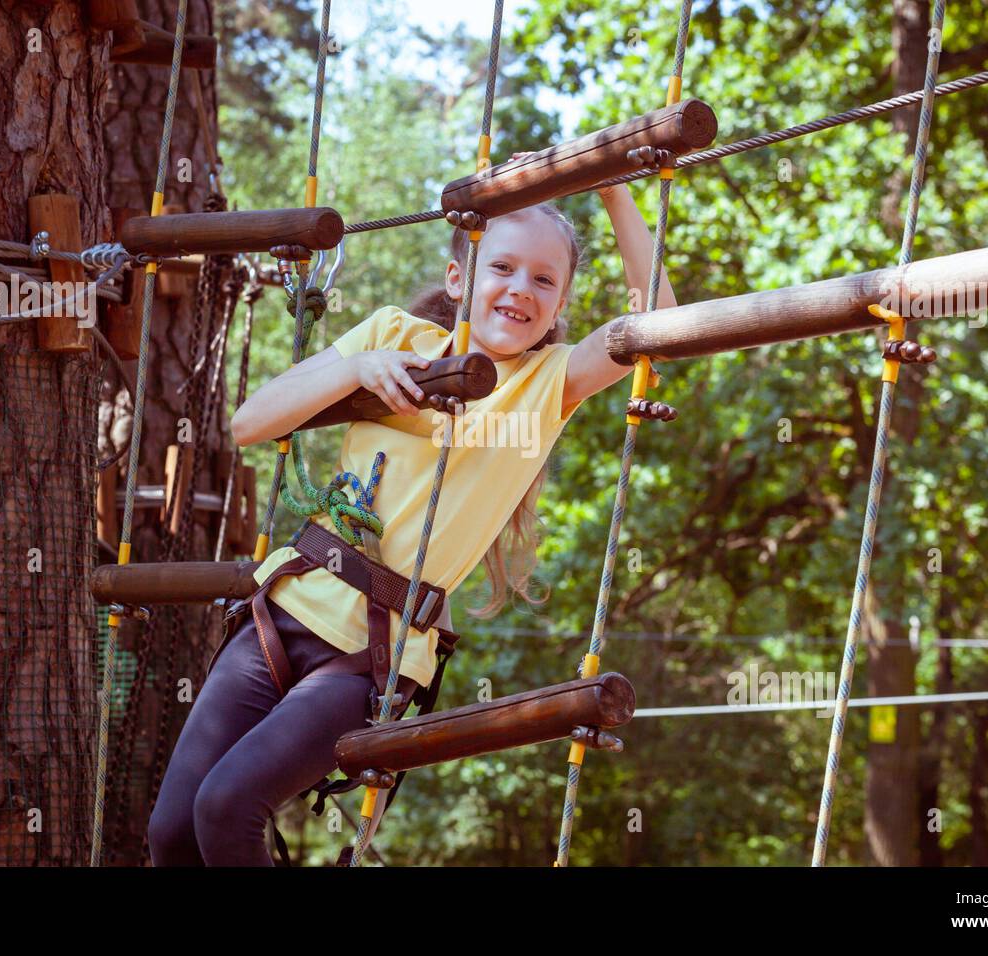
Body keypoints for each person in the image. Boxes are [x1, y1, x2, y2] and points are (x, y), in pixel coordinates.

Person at [148, 165, 678, 866]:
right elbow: (250, 423)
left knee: (227, 807)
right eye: (504, 268)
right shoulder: (395, 335)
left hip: (371, 656)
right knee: (172, 833)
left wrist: (615, 188)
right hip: (281, 612)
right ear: (460, 280)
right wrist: (358, 368)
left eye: (544, 281)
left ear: (560, 304)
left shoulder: (550, 384)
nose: (520, 289)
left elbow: (662, 328)